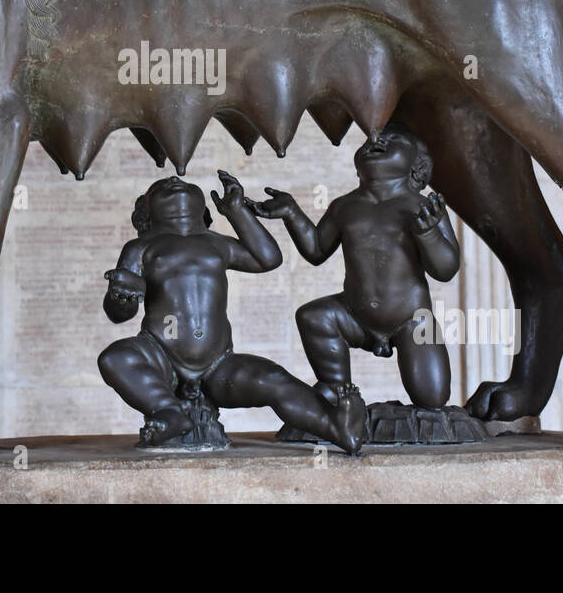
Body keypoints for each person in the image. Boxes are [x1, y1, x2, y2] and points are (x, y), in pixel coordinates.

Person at [98, 171, 367, 453]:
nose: (174, 181)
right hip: (160, 356)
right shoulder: (141, 247)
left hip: (219, 364)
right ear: (146, 214)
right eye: (162, 186)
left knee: (273, 380)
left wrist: (237, 211)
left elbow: (267, 258)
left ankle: (337, 428)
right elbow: (118, 314)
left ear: (203, 210)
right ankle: (168, 410)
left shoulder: (217, 243)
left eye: (184, 183)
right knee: (115, 358)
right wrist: (122, 297)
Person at [250, 124, 460, 409]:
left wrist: (429, 234)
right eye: (370, 139)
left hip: (412, 320)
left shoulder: (422, 208)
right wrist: (291, 212)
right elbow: (316, 250)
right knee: (314, 317)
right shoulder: (344, 207)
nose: (377, 140)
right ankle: (339, 394)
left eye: (393, 139)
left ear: (417, 165)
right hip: (354, 316)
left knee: (433, 399)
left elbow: (446, 270)